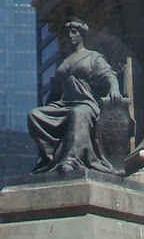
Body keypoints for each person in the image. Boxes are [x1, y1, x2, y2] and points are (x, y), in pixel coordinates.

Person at [28, 19, 121, 174]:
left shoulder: (93, 57)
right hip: (64, 105)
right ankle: (49, 159)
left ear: (82, 34)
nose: (70, 35)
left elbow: (109, 75)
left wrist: (115, 88)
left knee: (77, 113)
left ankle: (72, 159)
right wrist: (47, 109)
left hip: (86, 105)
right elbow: (55, 93)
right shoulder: (62, 62)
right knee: (34, 115)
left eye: (74, 31)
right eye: (67, 33)